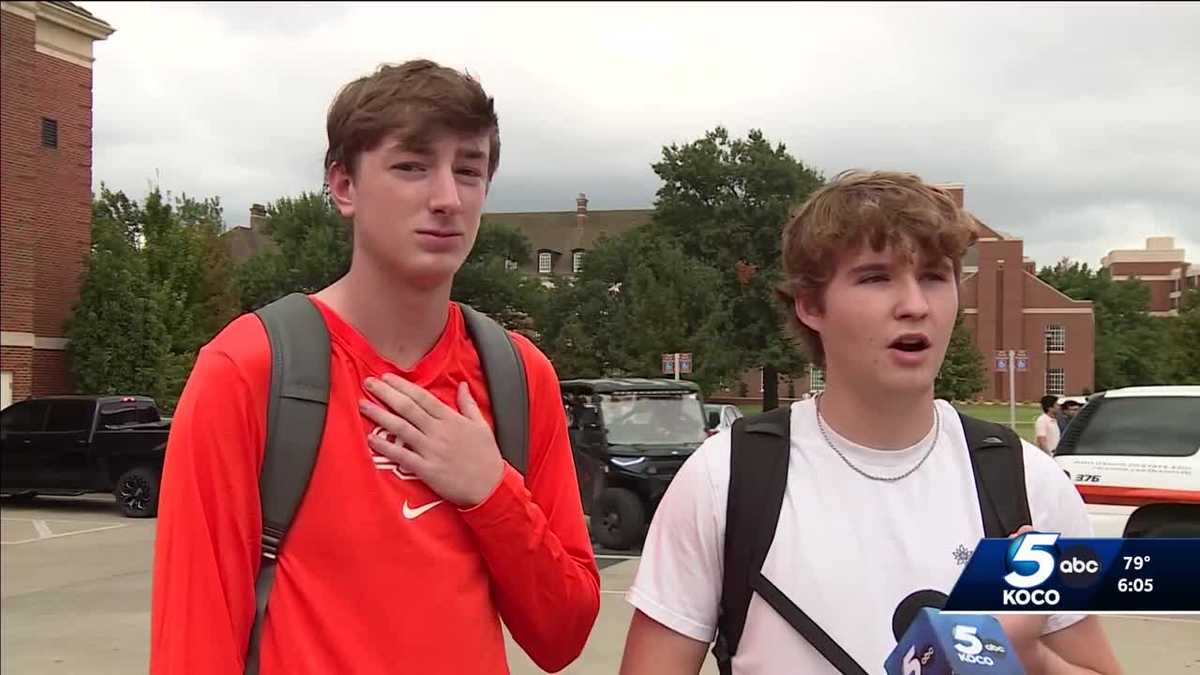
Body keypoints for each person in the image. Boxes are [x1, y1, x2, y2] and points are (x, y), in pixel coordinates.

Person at [150, 60, 600, 674]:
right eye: (411, 167)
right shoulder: (247, 370)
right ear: (343, 186)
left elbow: (563, 636)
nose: (446, 198)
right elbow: (192, 644)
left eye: (468, 170)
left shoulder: (519, 376)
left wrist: (491, 492)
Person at [619, 171, 1121, 674]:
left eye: (933, 277)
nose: (915, 306)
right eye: (876, 277)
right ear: (811, 304)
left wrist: (1024, 655)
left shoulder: (1029, 484)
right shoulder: (725, 478)